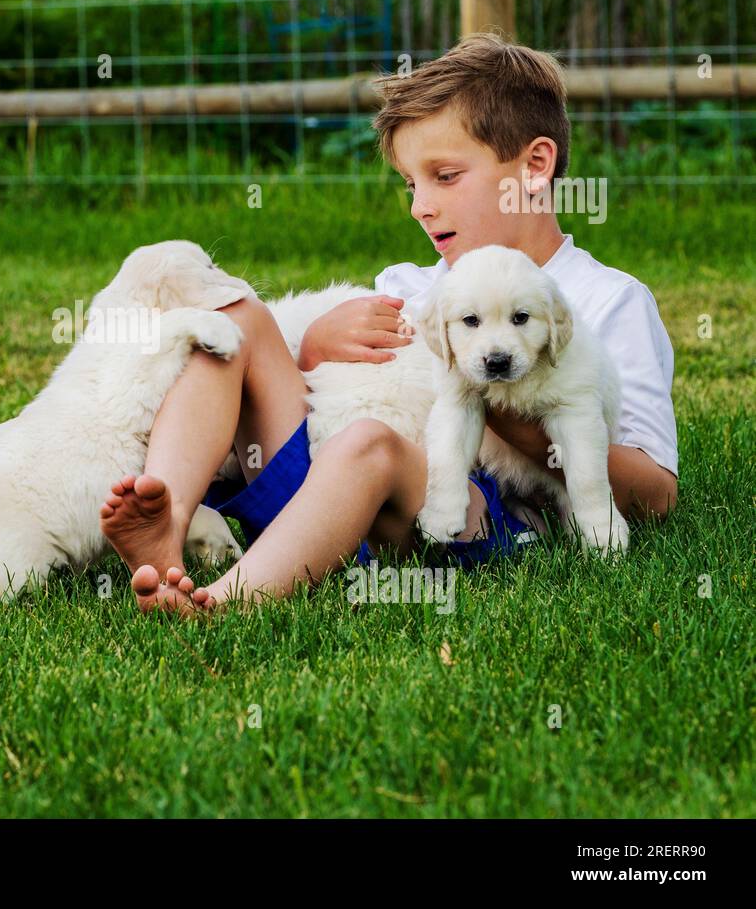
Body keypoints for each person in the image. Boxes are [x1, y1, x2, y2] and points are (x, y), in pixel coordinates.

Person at [98, 33, 678, 613]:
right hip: (324, 498)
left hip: (461, 521)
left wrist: (503, 391)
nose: (420, 205)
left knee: (369, 444)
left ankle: (223, 603)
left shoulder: (607, 300)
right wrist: (314, 353)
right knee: (234, 320)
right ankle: (166, 523)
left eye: (445, 176)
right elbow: (344, 396)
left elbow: (655, 495)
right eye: (410, 184)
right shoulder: (406, 286)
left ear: (535, 165)